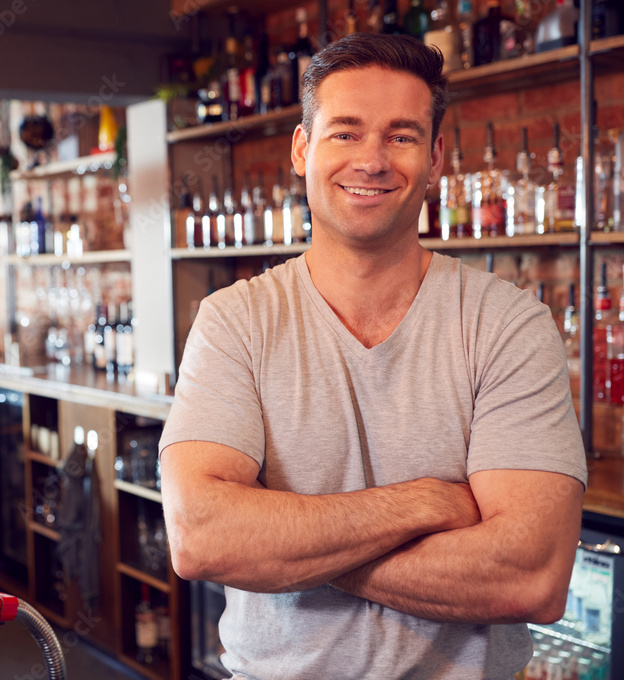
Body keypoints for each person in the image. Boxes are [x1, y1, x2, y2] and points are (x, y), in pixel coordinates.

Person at [159, 33, 587, 679]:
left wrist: (288, 549)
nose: (372, 160)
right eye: (345, 133)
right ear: (303, 149)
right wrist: (427, 503)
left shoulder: (508, 324)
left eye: (402, 136)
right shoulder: (235, 321)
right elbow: (203, 539)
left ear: (436, 157)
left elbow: (529, 578)